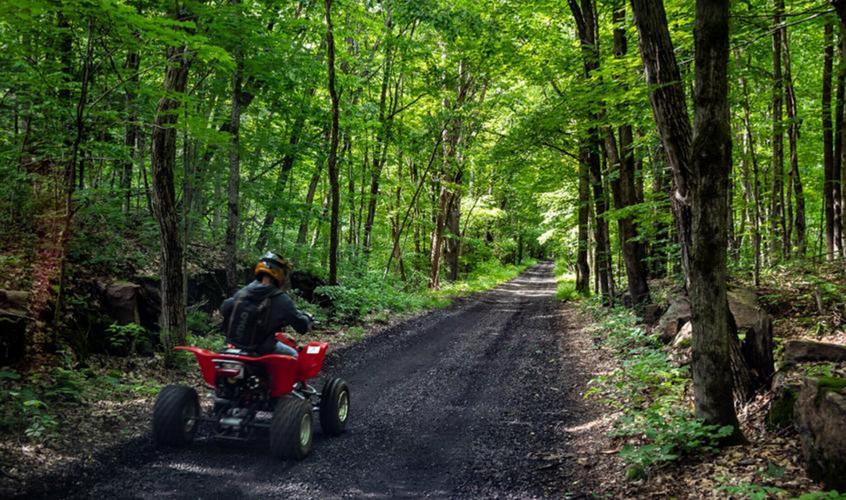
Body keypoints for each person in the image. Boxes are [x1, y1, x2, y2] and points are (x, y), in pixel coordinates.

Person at [220, 252, 313, 357]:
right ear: (279, 272)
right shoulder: (280, 298)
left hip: (233, 345)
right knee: (294, 355)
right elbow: (301, 326)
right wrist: (307, 318)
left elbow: (225, 307)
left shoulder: (244, 292)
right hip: (261, 348)